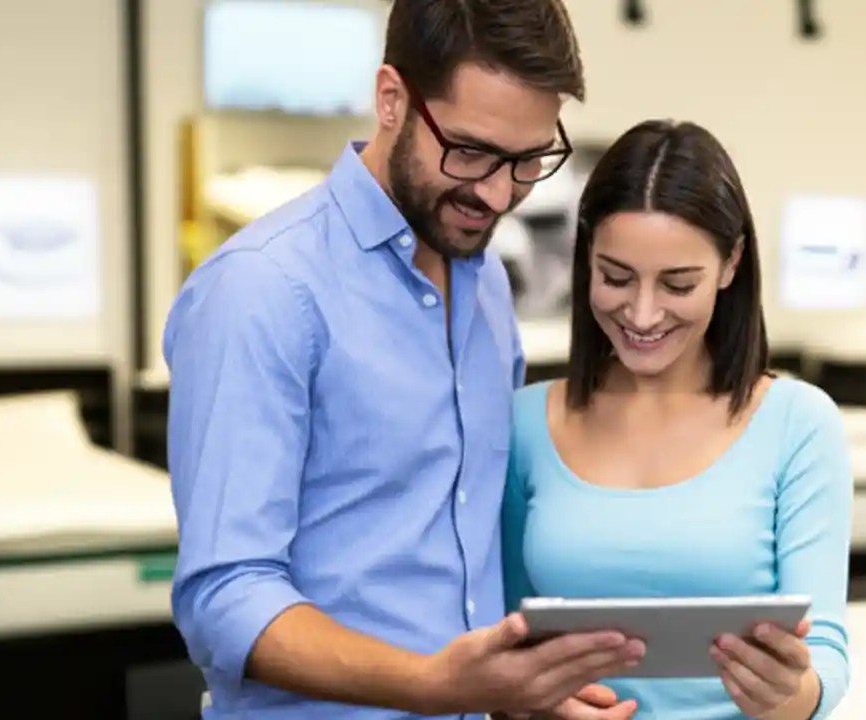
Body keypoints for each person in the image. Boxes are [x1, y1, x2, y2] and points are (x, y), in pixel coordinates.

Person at [162, 1, 645, 718]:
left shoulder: (484, 288)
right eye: (472, 152)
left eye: (527, 161)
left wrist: (520, 692)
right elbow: (226, 597)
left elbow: (461, 558)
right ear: (392, 99)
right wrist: (434, 685)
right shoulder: (263, 289)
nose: (498, 193)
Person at [501, 119, 854, 719]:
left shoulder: (798, 424)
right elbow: (504, 647)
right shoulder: (524, 425)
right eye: (615, 277)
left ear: (731, 262)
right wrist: (533, 703)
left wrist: (786, 693)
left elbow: (824, 663)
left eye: (678, 284)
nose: (641, 313)